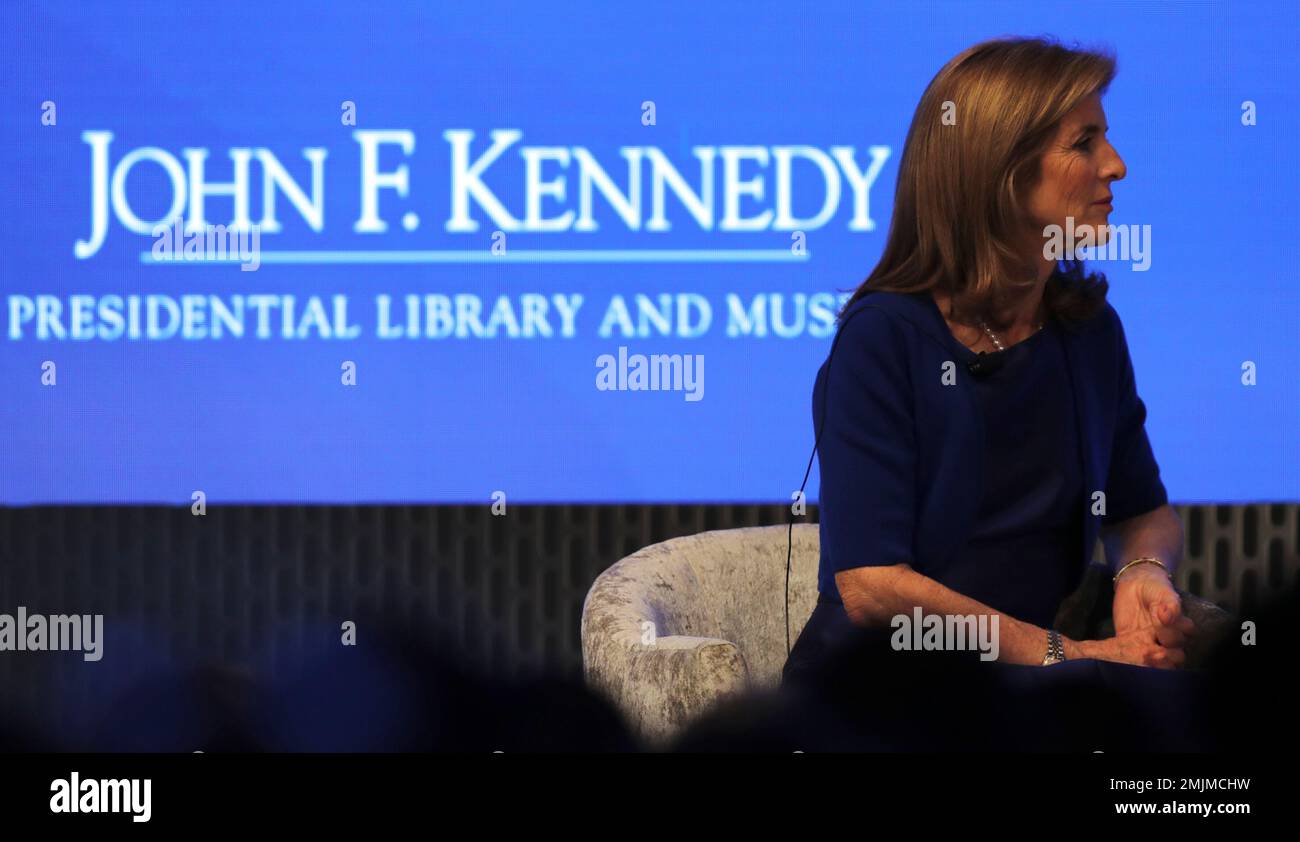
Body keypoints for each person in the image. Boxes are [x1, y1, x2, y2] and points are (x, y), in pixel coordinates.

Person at [786, 37, 1197, 685]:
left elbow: (1141, 510)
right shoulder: (885, 339)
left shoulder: (1089, 331)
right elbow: (873, 587)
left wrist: (1141, 571)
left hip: (1036, 681)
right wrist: (1068, 656)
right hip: (887, 693)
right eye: (1084, 143)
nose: (1116, 166)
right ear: (1001, 171)